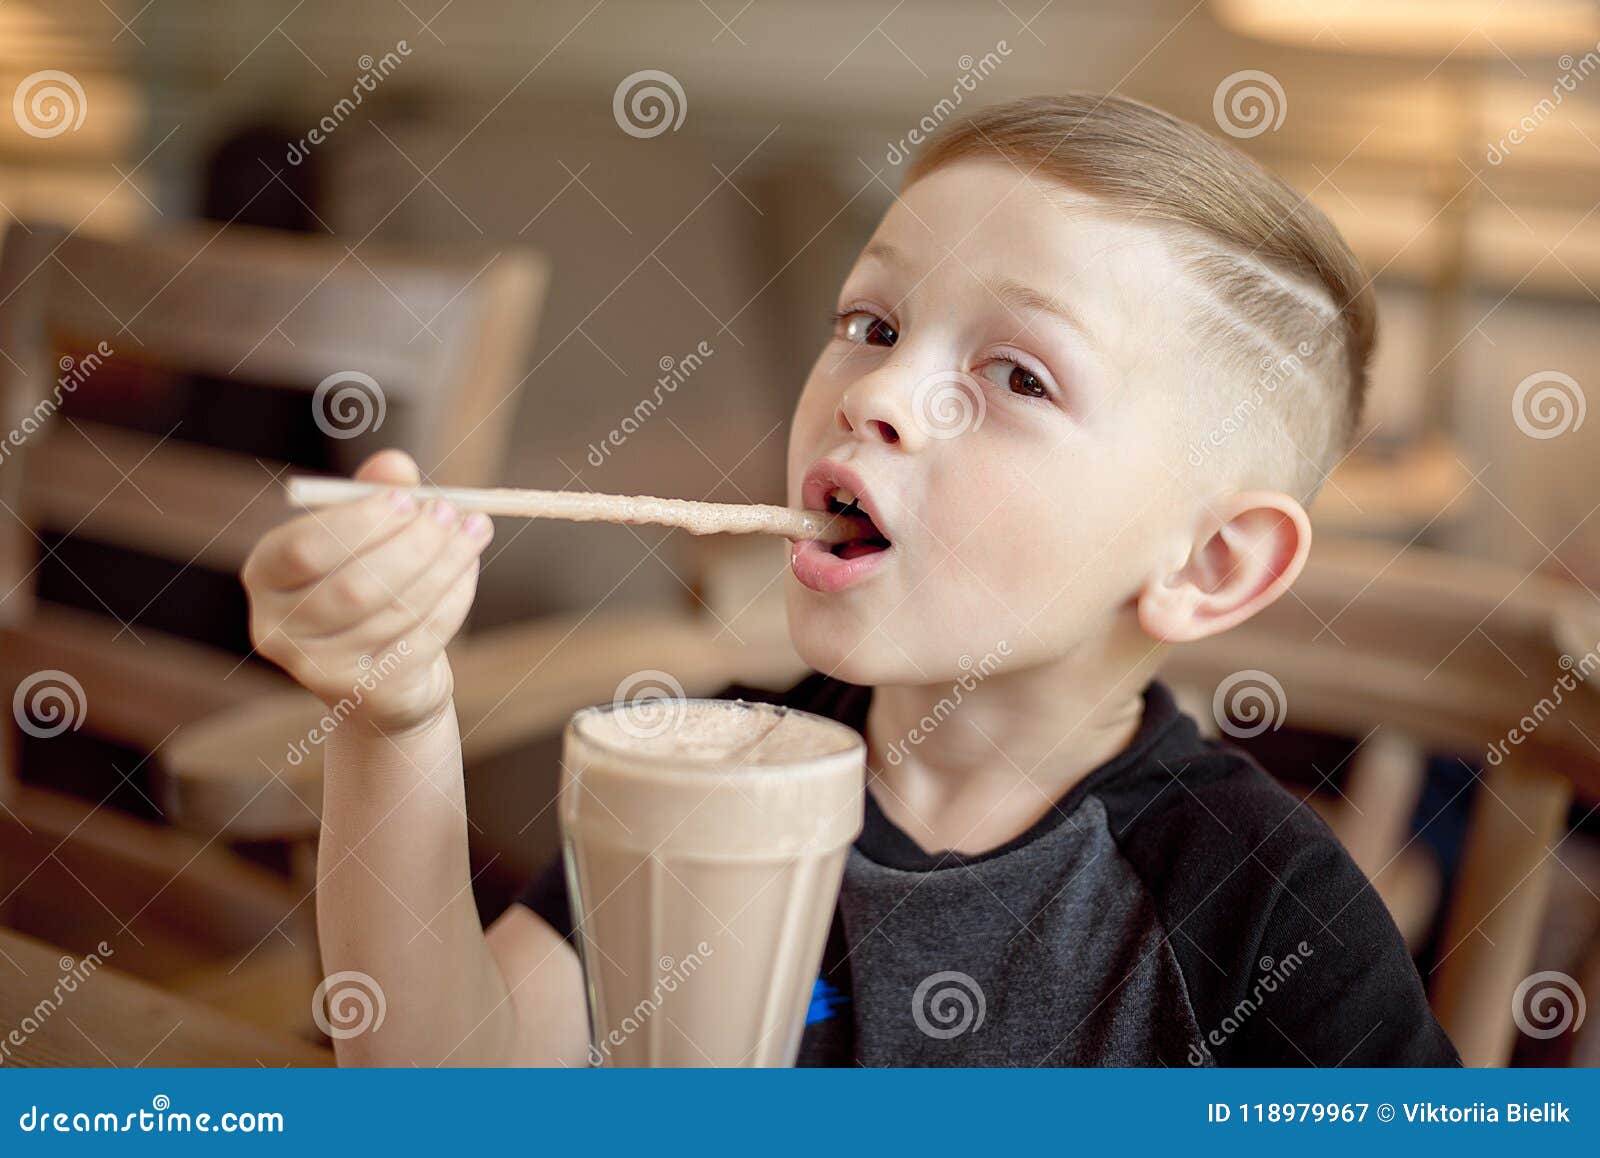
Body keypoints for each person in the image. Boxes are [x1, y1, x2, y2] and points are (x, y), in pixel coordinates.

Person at [241, 94, 1460, 1066]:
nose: (873, 392)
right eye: (872, 324)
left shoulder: (1263, 912)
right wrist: (395, 712)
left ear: (1206, 565)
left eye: (1019, 376)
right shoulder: (712, 773)